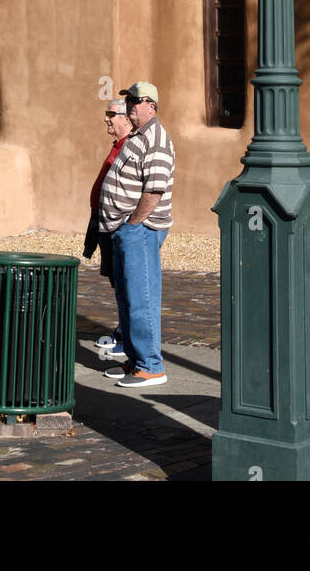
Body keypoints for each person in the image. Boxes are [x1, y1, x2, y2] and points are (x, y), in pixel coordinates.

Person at [98, 81, 175, 388]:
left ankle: (151, 366)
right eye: (127, 99)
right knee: (128, 298)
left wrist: (133, 224)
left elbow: (154, 189)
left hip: (140, 230)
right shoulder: (138, 135)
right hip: (124, 229)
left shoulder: (155, 138)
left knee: (141, 297)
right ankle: (135, 361)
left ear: (151, 105)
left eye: (136, 100)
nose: (130, 104)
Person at [82, 99, 132, 360]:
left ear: (126, 117)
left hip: (116, 224)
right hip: (103, 221)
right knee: (117, 281)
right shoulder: (118, 146)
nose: (106, 118)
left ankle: (126, 337)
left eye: (111, 114)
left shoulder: (129, 147)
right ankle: (123, 331)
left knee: (124, 283)